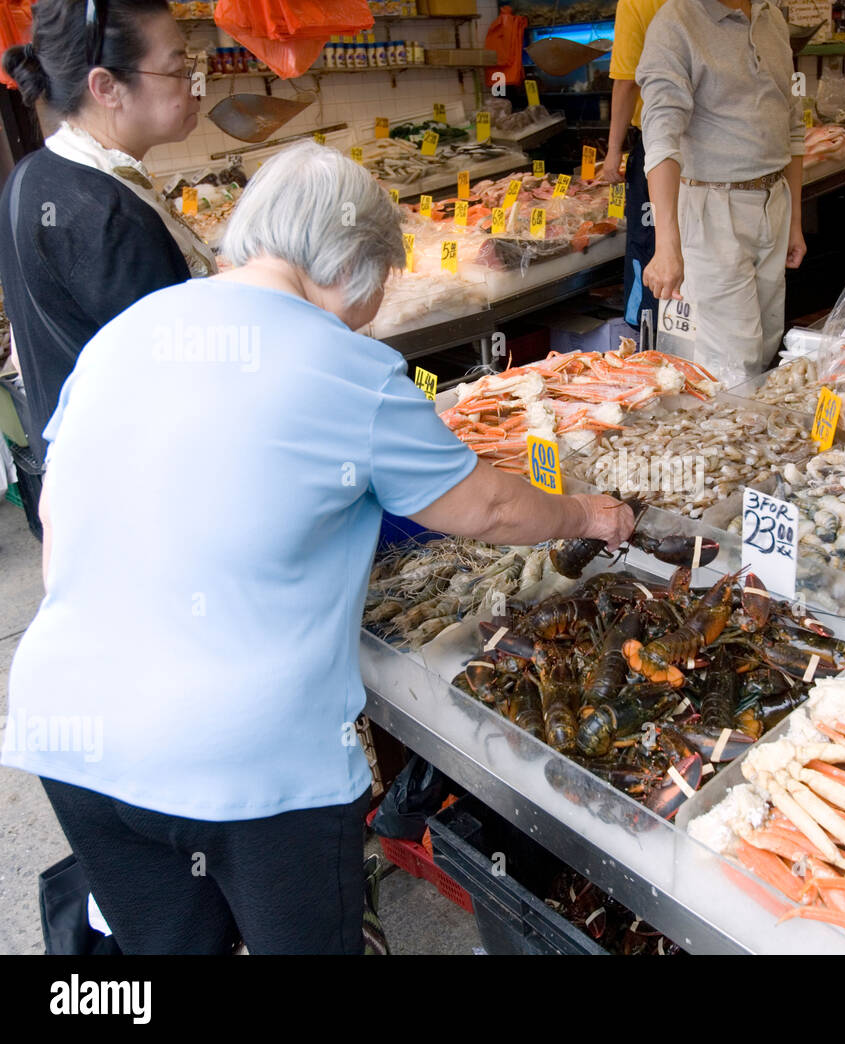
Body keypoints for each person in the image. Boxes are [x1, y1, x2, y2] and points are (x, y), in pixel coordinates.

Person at [1, 143, 635, 955]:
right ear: (355, 265)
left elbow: (60, 529)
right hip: (246, 758)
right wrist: (588, 514)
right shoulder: (347, 367)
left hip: (73, 727)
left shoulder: (131, 330)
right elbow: (489, 507)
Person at [0, 0, 214, 464]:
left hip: (77, 473)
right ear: (107, 87)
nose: (195, 85)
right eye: (178, 68)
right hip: (138, 478)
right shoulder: (107, 213)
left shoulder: (34, 173)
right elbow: (185, 378)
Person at [636, 0, 806, 385]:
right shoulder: (674, 23)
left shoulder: (770, 17)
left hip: (773, 200)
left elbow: (792, 124)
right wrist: (666, 246)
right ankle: (724, 441)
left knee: (765, 346)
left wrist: (794, 219)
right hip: (712, 209)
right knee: (732, 362)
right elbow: (661, 138)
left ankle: (751, 438)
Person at [601, 0, 669, 332]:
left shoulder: (636, 3)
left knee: (650, 244)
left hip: (658, 141)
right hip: (713, 146)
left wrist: (614, 150)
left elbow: (627, 82)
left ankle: (649, 337)